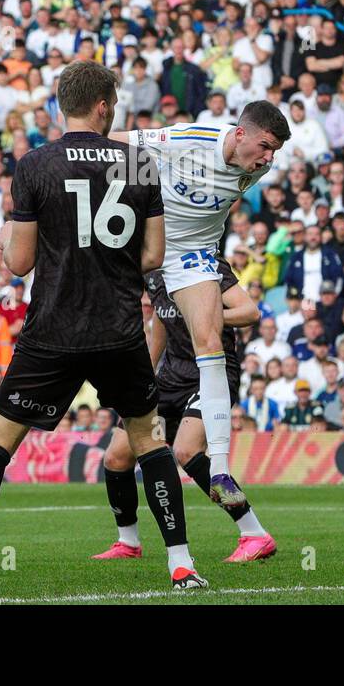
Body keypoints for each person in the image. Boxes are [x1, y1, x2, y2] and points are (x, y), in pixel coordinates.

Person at [0, 61, 207, 592]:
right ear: (104, 105)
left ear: (65, 103)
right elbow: (153, 256)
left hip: (52, 332)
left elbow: (19, 263)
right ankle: (182, 565)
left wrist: (0, 244)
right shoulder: (140, 165)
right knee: (150, 443)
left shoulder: (35, 164)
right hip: (119, 331)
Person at [107, 100, 289, 507]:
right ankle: (127, 540)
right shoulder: (189, 138)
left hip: (198, 255)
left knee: (209, 341)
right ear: (240, 133)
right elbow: (121, 142)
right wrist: (80, 143)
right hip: (154, 245)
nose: (268, 157)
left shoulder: (259, 169)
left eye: (274, 150)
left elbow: (249, 311)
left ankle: (221, 466)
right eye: (265, 146)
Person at [94, 259, 276, 563]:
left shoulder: (206, 262)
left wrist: (205, 317)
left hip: (212, 373)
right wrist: (148, 374)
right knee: (116, 456)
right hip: (171, 376)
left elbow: (250, 312)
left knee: (186, 451)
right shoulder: (153, 269)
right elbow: (161, 322)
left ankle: (255, 533)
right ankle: (128, 542)